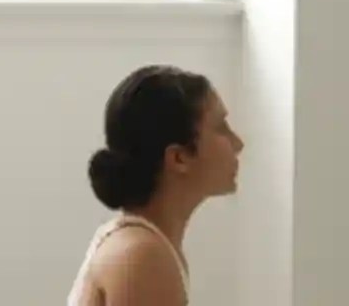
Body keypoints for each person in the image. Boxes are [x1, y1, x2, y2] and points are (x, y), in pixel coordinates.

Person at [66, 65, 245, 305]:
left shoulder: (152, 248)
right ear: (179, 158)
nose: (238, 143)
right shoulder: (141, 256)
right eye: (221, 127)